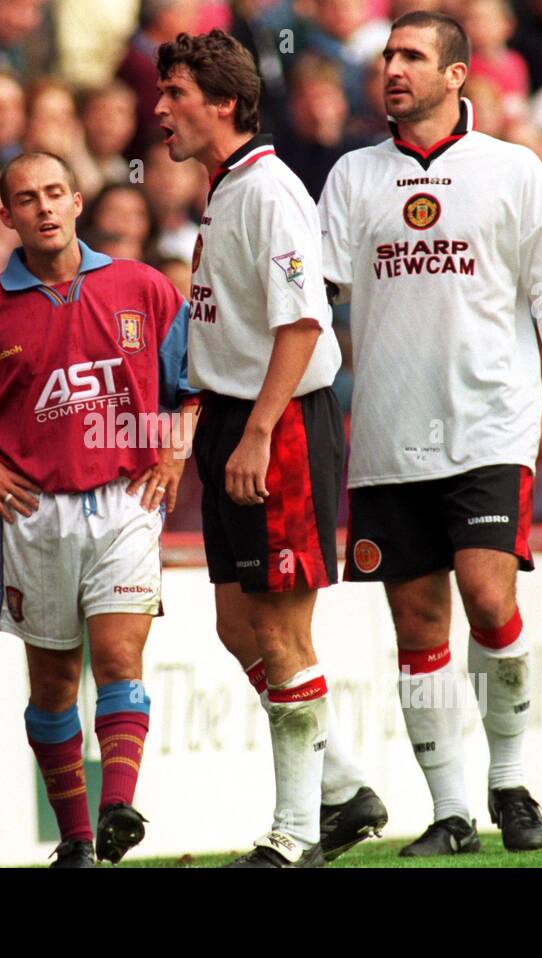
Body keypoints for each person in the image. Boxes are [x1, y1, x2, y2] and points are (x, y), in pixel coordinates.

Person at [318, 11, 542, 857]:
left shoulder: (512, 171)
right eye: (388, 56)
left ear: (457, 75)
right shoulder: (351, 177)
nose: (393, 69)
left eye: (412, 56)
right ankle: (451, 812)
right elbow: (310, 305)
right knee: (419, 631)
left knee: (490, 599)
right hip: (384, 435)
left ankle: (509, 778)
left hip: (490, 426)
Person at [0, 150, 200, 868]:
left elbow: (194, 382)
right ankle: (76, 840)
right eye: (27, 198)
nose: (43, 207)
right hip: (35, 514)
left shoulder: (142, 287)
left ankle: (117, 807)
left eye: (56, 193)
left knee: (121, 655)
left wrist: (171, 453)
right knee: (55, 683)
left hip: (126, 500)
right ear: (6, 217)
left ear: (76, 202)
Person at [157, 29, 388, 868]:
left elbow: (304, 320)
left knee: (285, 635)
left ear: (223, 103)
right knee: (234, 623)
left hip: (278, 421)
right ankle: (348, 789)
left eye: (175, 94)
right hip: (232, 417)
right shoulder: (225, 190)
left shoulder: (268, 191)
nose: (160, 111)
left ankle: (294, 834)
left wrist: (256, 430)